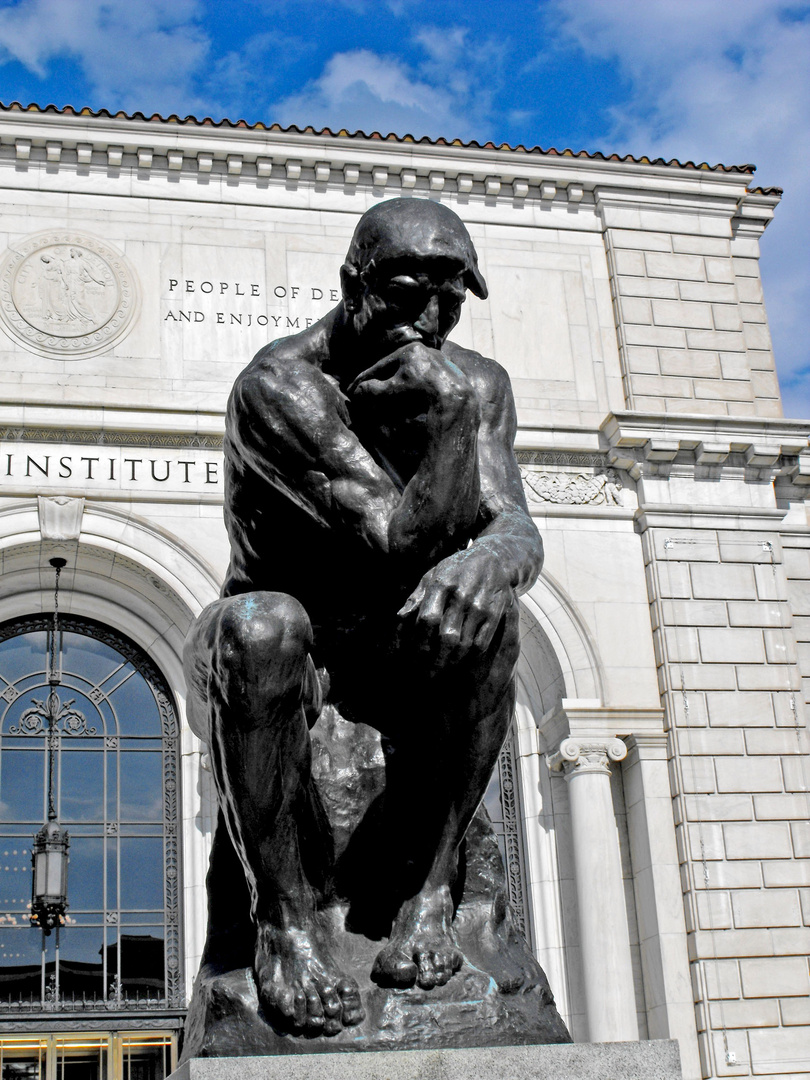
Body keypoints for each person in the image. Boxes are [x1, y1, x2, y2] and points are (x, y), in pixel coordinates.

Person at [184, 197, 544, 1038]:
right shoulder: (280, 387)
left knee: (494, 614)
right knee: (261, 626)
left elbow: (515, 524)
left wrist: (492, 561)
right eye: (409, 297)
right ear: (353, 284)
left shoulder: (477, 381)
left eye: (451, 302)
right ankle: (282, 921)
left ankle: (433, 891)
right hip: (295, 649)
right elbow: (389, 539)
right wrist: (447, 421)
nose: (431, 323)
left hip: (399, 642)